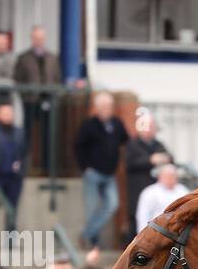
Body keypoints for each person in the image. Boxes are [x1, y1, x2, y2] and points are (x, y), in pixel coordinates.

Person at [74, 92, 128, 256]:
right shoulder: (89, 125)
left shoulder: (116, 124)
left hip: (109, 173)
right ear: (97, 108)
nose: (107, 109)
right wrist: (86, 167)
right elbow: (78, 146)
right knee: (91, 208)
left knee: (112, 204)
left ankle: (86, 234)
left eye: (109, 106)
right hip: (93, 173)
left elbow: (125, 141)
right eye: (103, 106)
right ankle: (93, 242)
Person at [12, 25, 63, 169]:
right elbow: (18, 79)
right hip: (30, 101)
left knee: (48, 134)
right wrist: (25, 94)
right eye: (36, 38)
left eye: (41, 38)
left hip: (48, 101)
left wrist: (54, 95)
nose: (39, 40)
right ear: (32, 38)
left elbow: (58, 78)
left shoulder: (52, 57)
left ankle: (47, 166)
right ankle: (26, 165)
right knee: (27, 134)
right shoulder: (23, 57)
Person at [124, 114, 173, 240]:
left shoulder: (158, 145)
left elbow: (171, 158)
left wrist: (165, 158)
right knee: (137, 218)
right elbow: (129, 164)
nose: (149, 129)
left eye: (152, 126)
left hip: (156, 191)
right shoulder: (133, 144)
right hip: (138, 187)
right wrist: (149, 160)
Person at [135, 163, 189, 229]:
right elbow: (143, 215)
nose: (171, 178)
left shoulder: (183, 190)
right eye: (168, 176)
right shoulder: (149, 192)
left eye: (173, 176)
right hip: (156, 230)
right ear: (160, 176)